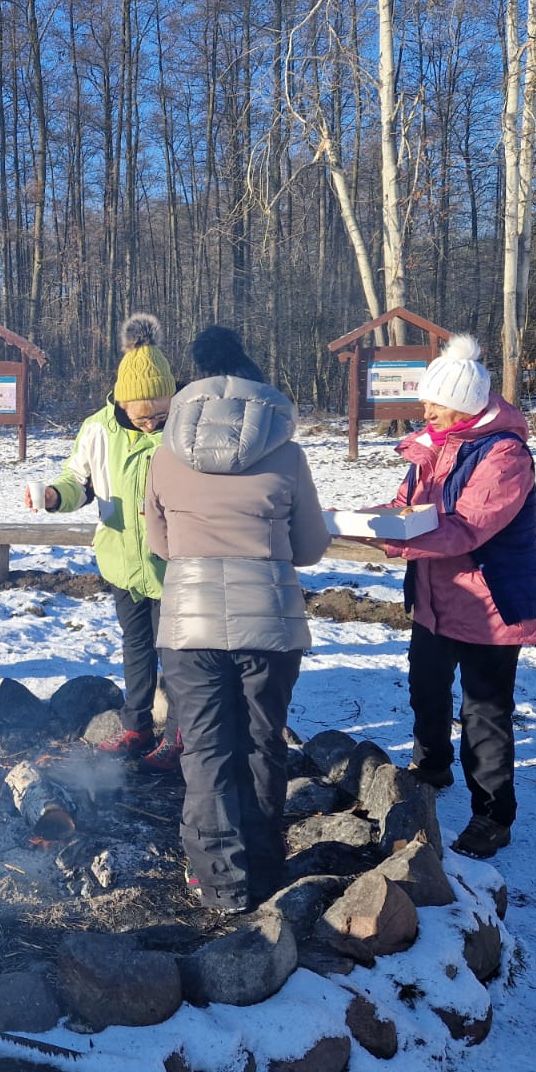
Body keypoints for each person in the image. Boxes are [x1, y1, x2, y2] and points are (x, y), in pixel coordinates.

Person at [145, 326, 330, 912]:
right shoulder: (287, 451)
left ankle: (217, 881)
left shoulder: (164, 453)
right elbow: (309, 547)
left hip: (188, 623)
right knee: (261, 742)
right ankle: (265, 868)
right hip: (269, 624)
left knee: (204, 750)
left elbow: (159, 542)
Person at [377, 333, 536, 860]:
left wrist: (396, 537)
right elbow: (406, 505)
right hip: (434, 597)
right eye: (426, 401)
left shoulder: (505, 455)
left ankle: (493, 815)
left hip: (489, 604)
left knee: (485, 712)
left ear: (466, 405)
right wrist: (368, 521)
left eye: (435, 403)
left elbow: (467, 528)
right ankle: (431, 766)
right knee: (426, 686)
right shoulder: (430, 447)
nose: (425, 411)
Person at [30, 314, 180, 771]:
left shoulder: (183, 430)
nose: (153, 422)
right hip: (121, 560)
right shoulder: (98, 429)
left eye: (161, 413)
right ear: (122, 402)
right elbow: (78, 479)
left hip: (174, 562)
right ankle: (136, 724)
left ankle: (179, 735)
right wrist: (56, 496)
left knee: (177, 655)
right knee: (135, 646)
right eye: (144, 415)